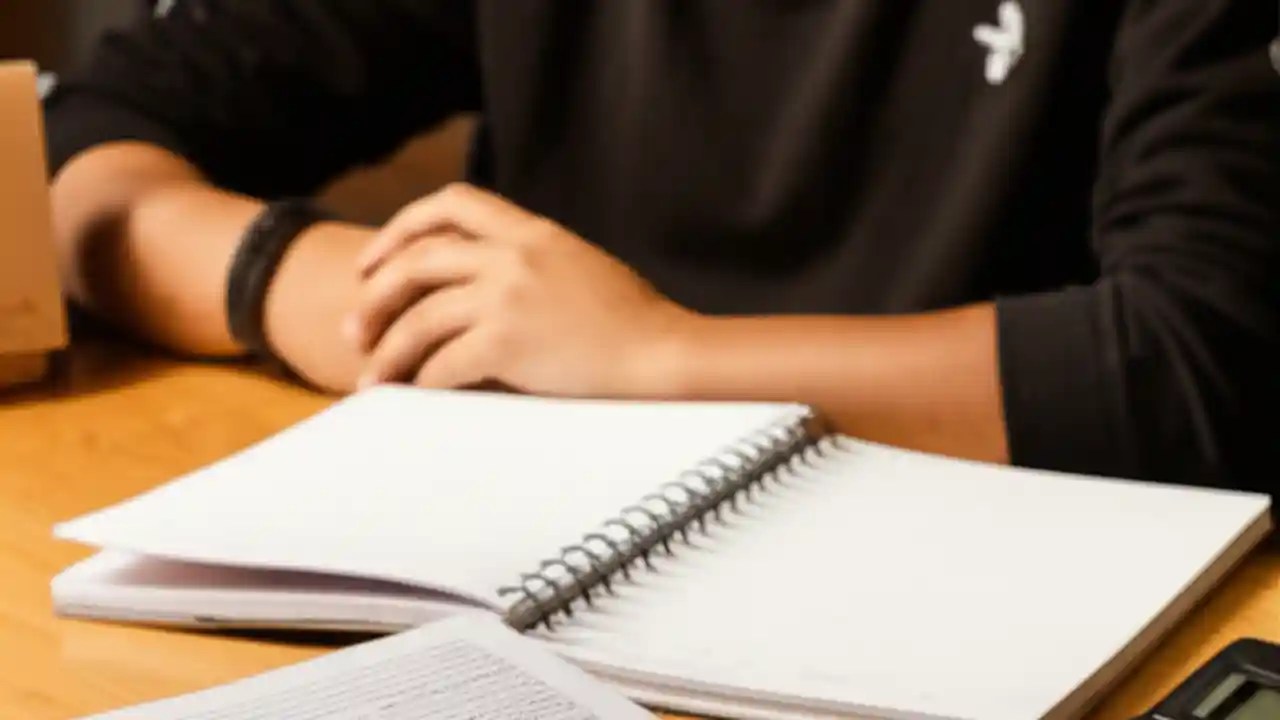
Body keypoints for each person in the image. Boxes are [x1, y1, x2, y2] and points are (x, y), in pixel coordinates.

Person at [42, 1, 1280, 494]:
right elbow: (81, 140)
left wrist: (656, 359)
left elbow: (1199, 364)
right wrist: (304, 284)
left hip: (996, 568)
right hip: (521, 557)